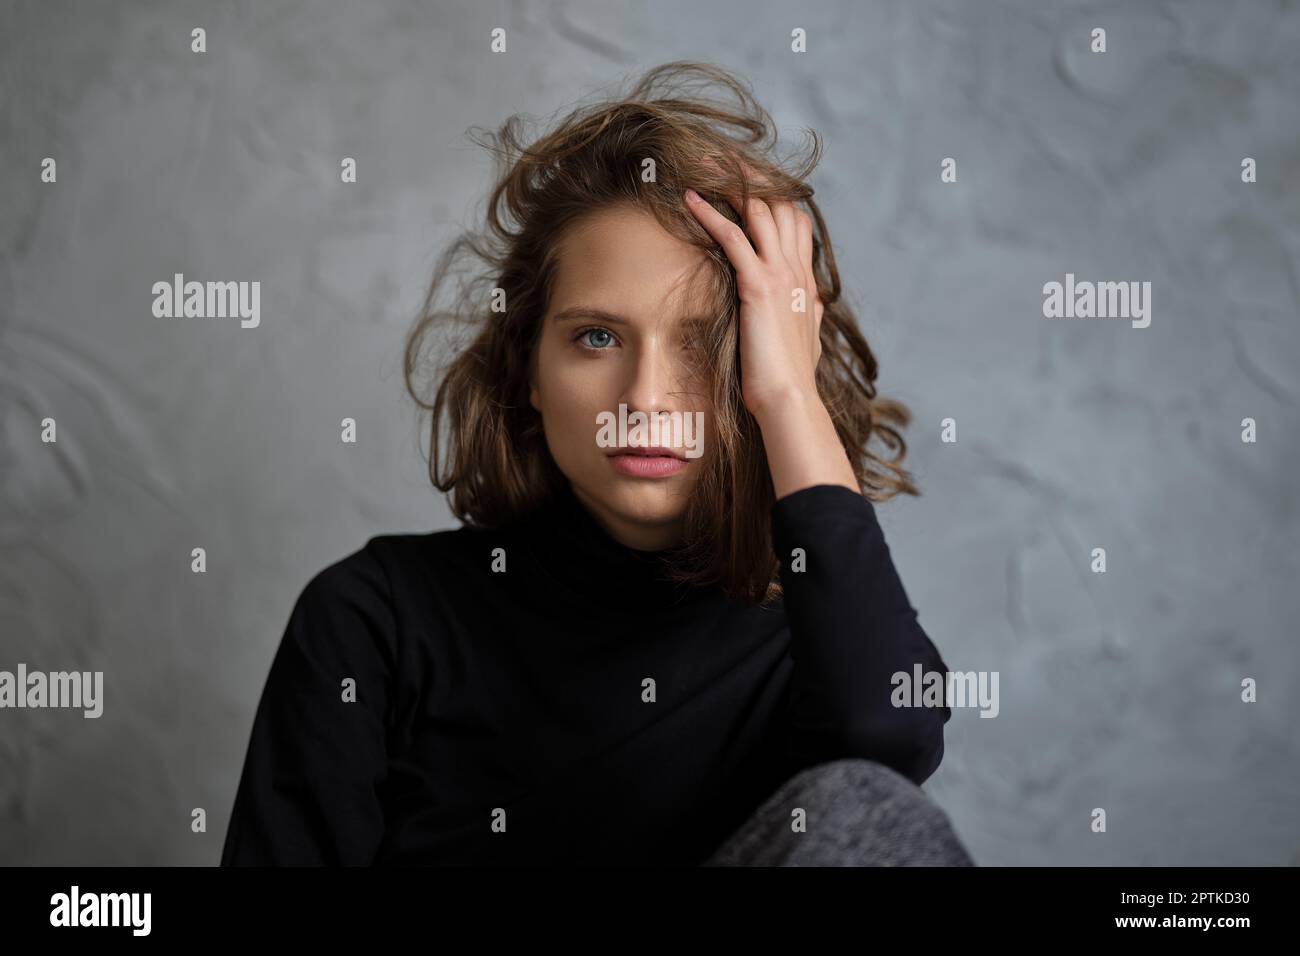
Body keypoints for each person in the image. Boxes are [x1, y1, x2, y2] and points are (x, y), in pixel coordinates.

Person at [220, 61, 974, 867]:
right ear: (529, 375)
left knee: (860, 808)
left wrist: (788, 396)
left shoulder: (820, 639)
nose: (646, 399)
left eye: (703, 345)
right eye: (597, 338)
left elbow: (886, 739)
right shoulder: (376, 621)